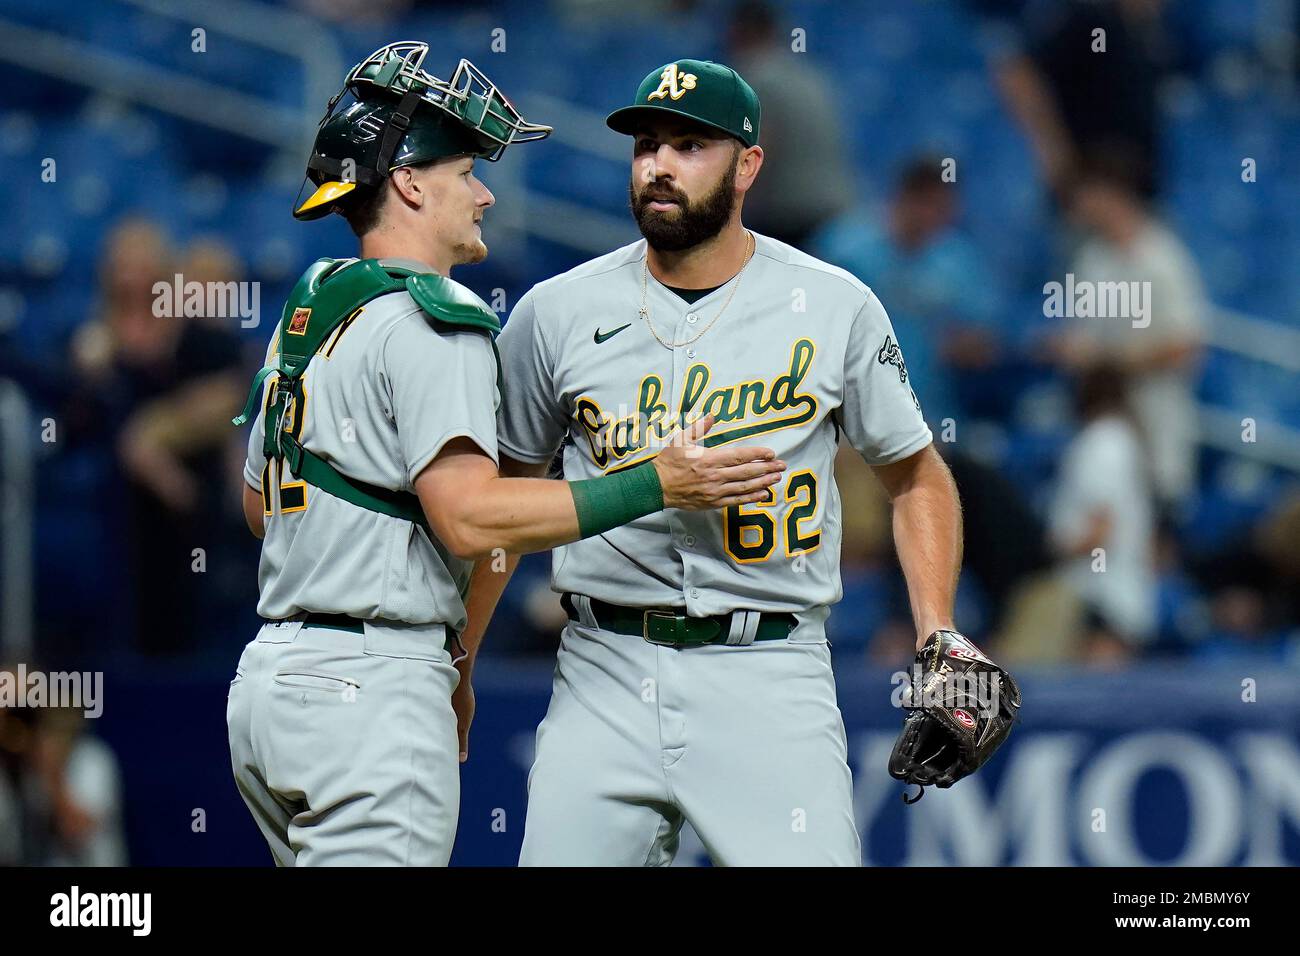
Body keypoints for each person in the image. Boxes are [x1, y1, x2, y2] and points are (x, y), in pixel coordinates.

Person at [226, 43, 785, 867]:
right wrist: (656, 481)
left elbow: (258, 508)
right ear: (410, 184)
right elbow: (467, 517)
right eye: (463, 174)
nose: (485, 193)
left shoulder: (315, 301)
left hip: (270, 685)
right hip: (368, 688)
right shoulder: (435, 315)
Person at [467, 59, 1016, 866]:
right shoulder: (555, 312)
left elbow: (916, 472)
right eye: (647, 144)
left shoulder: (834, 304)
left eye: (691, 145)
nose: (659, 164)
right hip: (601, 668)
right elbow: (504, 500)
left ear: (748, 165)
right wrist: (462, 661)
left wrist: (938, 628)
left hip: (770, 671)